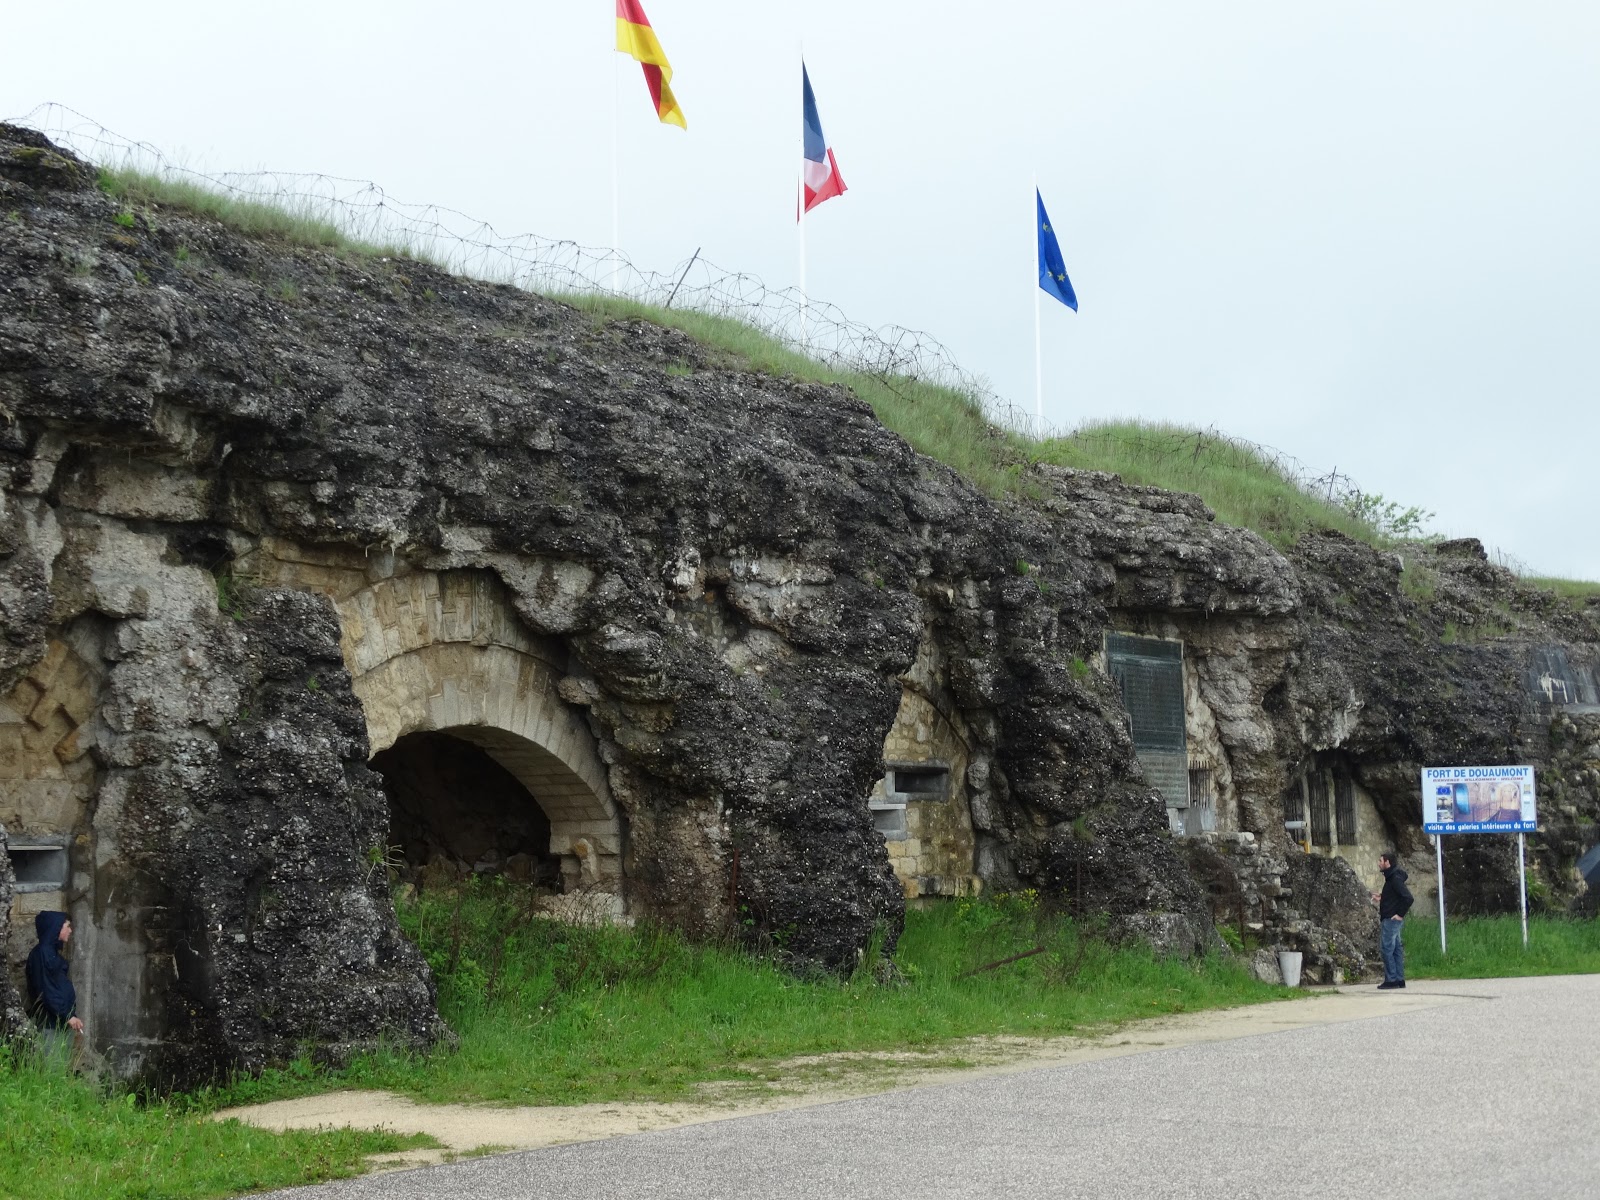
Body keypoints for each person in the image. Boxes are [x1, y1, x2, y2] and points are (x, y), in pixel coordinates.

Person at [24, 911, 84, 1057]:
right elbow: (46, 989)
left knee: (60, 1069)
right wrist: (67, 1015)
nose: (70, 930)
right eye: (67, 926)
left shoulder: (51, 953)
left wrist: (70, 1015)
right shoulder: (42, 954)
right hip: (49, 1024)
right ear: (56, 927)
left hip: (60, 1022)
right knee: (53, 1068)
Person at [1369, 853, 1413, 989]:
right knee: (1396, 949)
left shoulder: (1394, 878)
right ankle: (1399, 979)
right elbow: (1395, 896)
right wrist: (1382, 897)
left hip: (1391, 919)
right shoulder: (1392, 877)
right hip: (1391, 918)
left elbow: (1408, 898)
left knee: (1387, 948)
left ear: (1387, 862)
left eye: (1380, 860)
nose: (1378, 863)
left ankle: (1391, 980)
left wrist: (1400, 914)